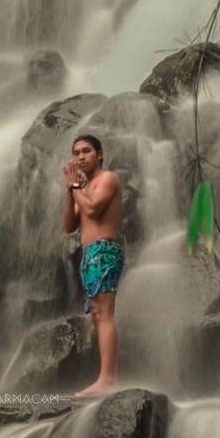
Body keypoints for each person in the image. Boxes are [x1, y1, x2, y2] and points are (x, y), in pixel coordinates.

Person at [61, 133, 124, 397]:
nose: (80, 157)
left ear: (99, 154)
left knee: (104, 313)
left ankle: (107, 379)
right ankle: (106, 377)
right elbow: (68, 226)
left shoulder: (107, 179)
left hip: (104, 250)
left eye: (86, 151)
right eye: (76, 153)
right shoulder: (83, 188)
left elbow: (93, 210)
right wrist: (70, 189)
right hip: (89, 254)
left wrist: (76, 188)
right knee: (98, 315)